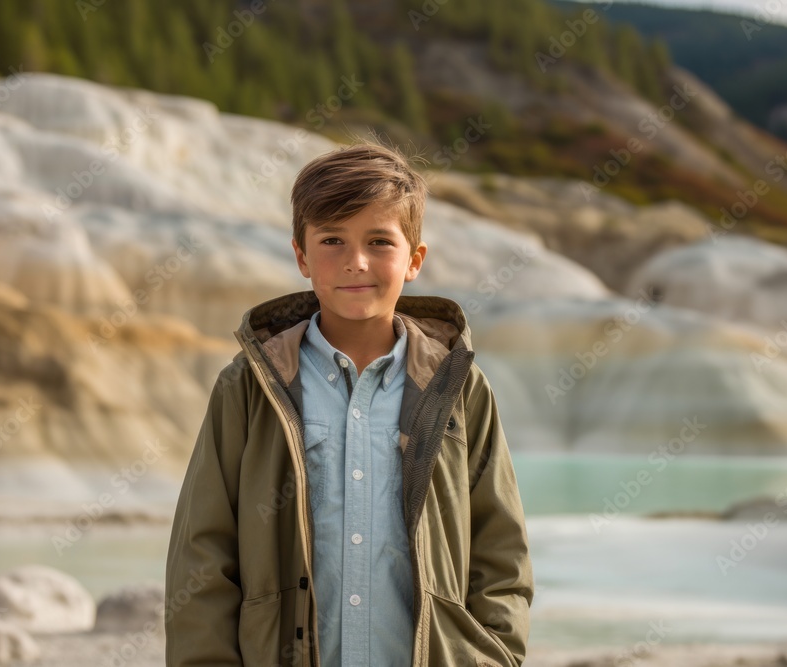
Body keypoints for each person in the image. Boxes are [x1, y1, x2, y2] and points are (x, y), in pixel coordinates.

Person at [164, 141, 533, 667]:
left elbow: (502, 557)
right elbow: (203, 552)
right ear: (301, 256)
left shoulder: (460, 388)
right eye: (332, 240)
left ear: (415, 260)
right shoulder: (248, 387)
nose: (356, 262)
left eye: (379, 241)